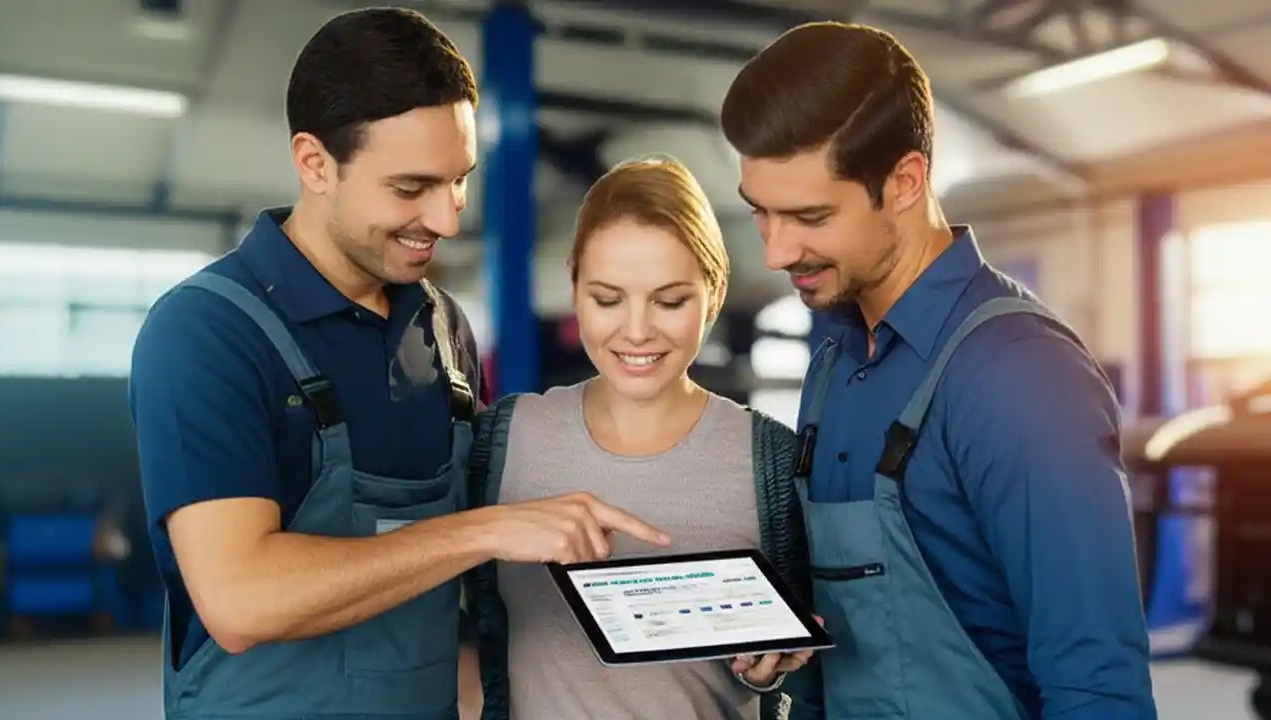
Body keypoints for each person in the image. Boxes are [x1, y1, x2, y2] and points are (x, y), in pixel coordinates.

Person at [128, 9, 668, 719]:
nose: (447, 219)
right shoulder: (207, 332)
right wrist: (483, 530)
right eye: (411, 188)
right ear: (315, 163)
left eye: (459, 180)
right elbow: (241, 599)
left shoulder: (443, 330)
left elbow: (462, 591)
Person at [719, 22, 1156, 720]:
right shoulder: (836, 357)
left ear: (904, 182)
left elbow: (1096, 684)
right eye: (760, 214)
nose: (775, 251)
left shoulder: (1019, 375)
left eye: (809, 216)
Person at [461, 156, 824, 720]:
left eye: (670, 301)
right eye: (608, 299)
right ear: (574, 285)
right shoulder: (502, 442)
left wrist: (771, 667)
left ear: (715, 293)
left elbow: (798, 672)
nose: (636, 330)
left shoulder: (772, 460)